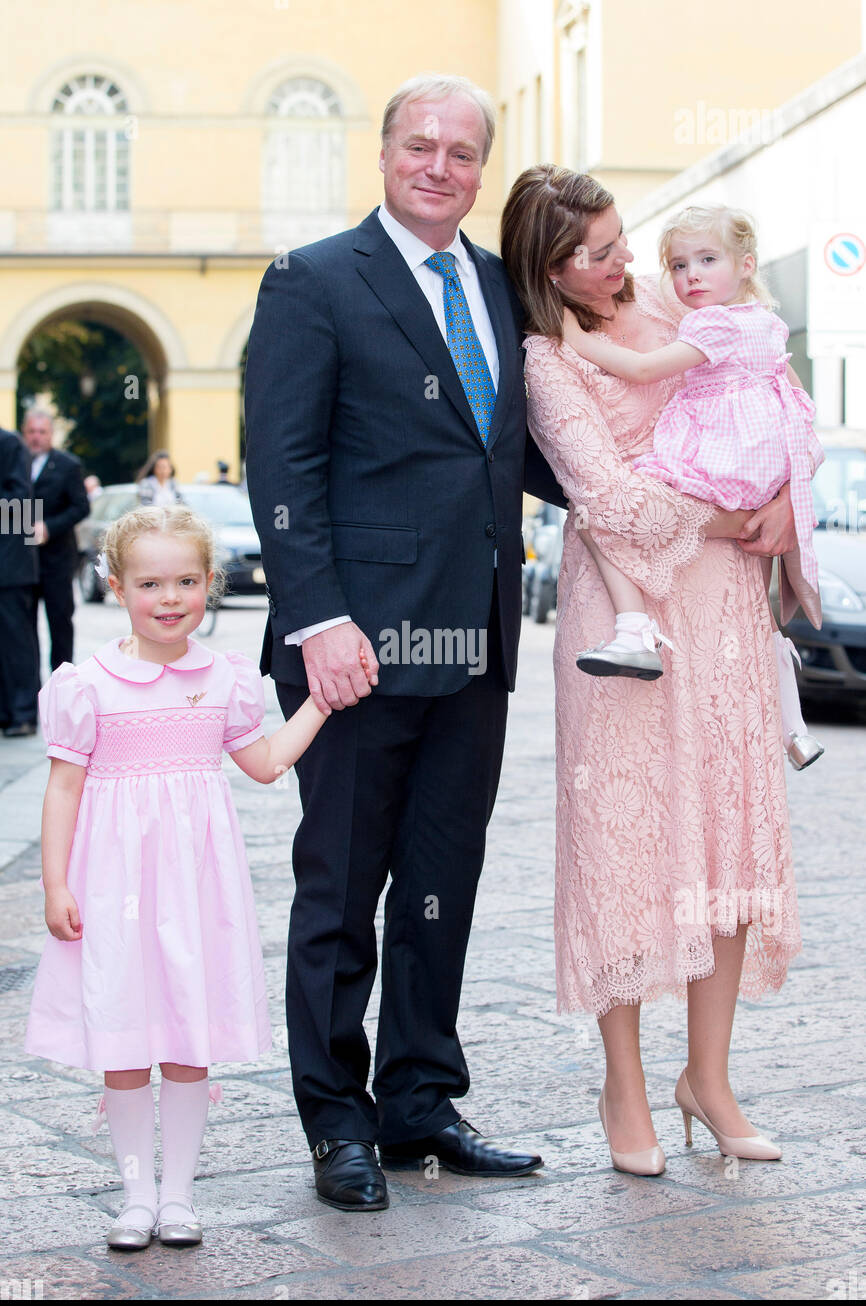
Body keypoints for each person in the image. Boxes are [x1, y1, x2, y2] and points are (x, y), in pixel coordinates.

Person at [244, 73, 565, 1212]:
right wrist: (318, 622)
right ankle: (335, 1118)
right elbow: (281, 466)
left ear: (482, 168)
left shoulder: (496, 286)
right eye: (419, 145)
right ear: (383, 154)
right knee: (339, 888)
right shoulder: (315, 281)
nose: (439, 165)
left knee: (441, 878)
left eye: (461, 151)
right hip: (355, 653)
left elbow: (522, 451)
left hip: (471, 643)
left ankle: (419, 1101)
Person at [501, 166, 817, 1175]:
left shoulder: (685, 299)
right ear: (547, 266)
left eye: (620, 238)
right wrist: (735, 518)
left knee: (724, 840)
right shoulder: (548, 358)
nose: (624, 262)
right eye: (596, 253)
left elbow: (778, 400)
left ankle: (708, 1077)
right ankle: (625, 1083)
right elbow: (608, 501)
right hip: (624, 613)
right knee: (625, 847)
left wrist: (786, 502)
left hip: (727, 607)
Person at [24, 505, 332, 1250]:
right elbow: (63, 787)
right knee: (125, 1039)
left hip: (195, 891)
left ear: (209, 584)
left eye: (187, 581)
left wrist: (322, 702)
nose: (170, 598)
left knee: (187, 1038)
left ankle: (178, 1198)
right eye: (151, 583)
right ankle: (134, 1198)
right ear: (116, 586)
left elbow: (263, 763)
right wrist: (54, 883)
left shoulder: (223, 679)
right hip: (112, 888)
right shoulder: (88, 684)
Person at [562, 204, 823, 770]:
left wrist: (569, 336)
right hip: (763, 459)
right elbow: (799, 403)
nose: (690, 277)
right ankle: (794, 723)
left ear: (747, 263)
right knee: (760, 605)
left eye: (707, 260)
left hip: (727, 458)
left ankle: (633, 627)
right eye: (679, 265)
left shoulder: (713, 323)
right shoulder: (765, 322)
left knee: (605, 510)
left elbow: (642, 370)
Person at [22, 408, 89, 673]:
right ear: (24, 433)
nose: (37, 437)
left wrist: (49, 527)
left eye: (42, 432)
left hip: (57, 560)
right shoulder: (15, 463)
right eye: (32, 432)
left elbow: (80, 507)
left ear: (51, 434)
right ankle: (27, 693)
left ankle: (62, 686)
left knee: (60, 624)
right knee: (23, 628)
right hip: (23, 561)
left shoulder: (68, 465)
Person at [0, 426, 40, 736]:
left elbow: (18, 501)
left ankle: (23, 713)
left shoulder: (9, 443)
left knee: (17, 641)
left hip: (10, 564)